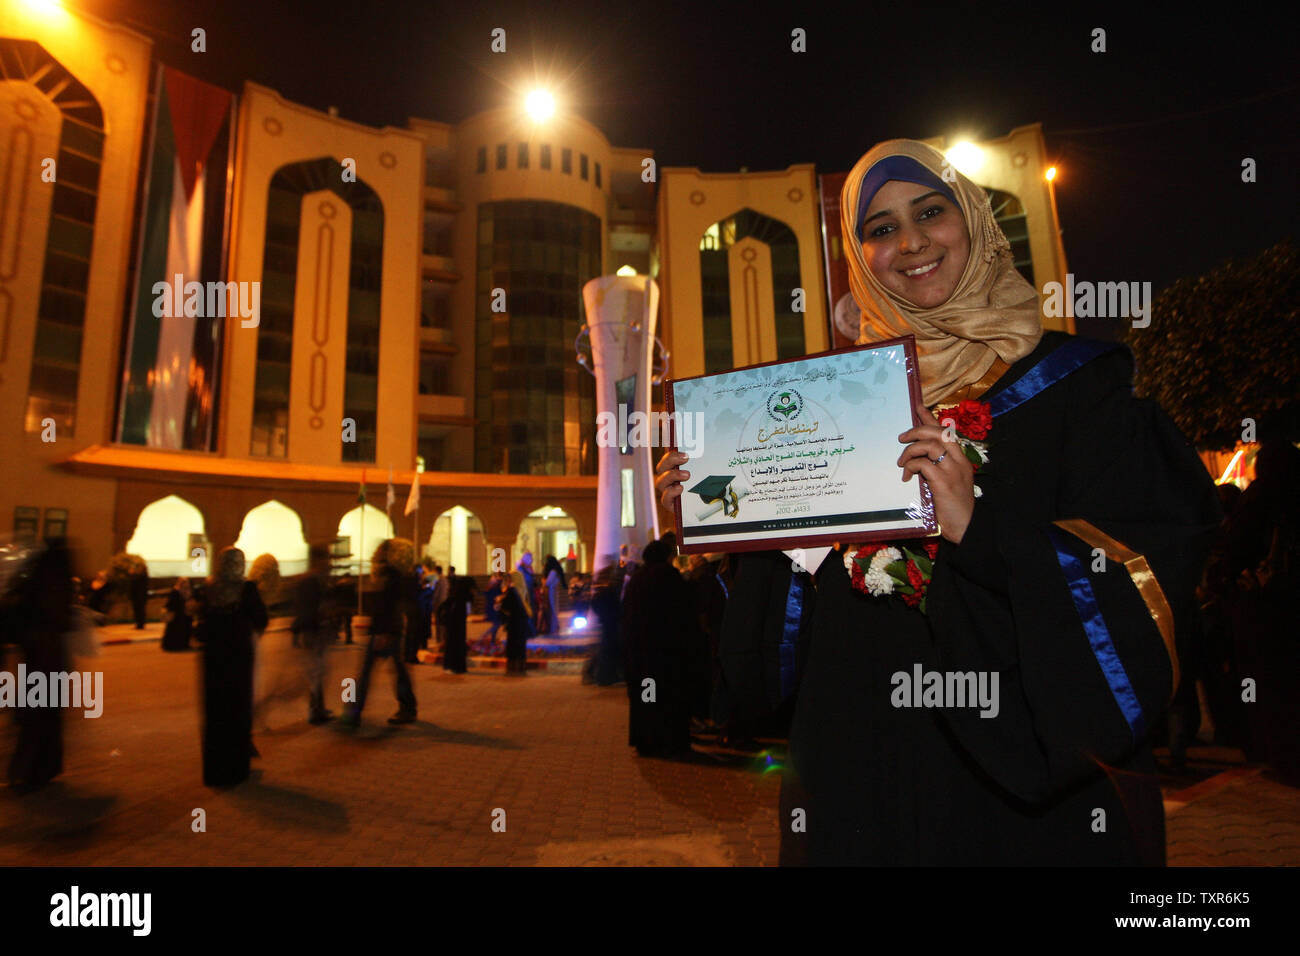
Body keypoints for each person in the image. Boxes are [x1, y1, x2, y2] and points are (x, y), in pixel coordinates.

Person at [657, 139, 1220, 865]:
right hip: (859, 768)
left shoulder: (1078, 389)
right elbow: (766, 670)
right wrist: (725, 524)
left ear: (976, 223)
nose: (911, 241)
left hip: (1021, 780)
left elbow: (1150, 564)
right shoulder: (838, 406)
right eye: (881, 228)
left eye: (931, 212)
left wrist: (982, 530)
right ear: (860, 258)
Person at [3, 540, 76, 789]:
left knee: (35, 718)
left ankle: (29, 771)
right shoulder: (60, 588)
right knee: (47, 717)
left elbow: (18, 619)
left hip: (38, 660)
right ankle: (43, 768)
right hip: (52, 659)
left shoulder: (36, 588)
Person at [621, 534, 700, 757]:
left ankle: (645, 739)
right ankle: (668, 741)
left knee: (647, 695)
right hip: (665, 654)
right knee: (668, 697)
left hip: (641, 654)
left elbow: (626, 615)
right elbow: (682, 613)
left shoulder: (637, 579)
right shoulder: (669, 576)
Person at [196, 547, 267, 787]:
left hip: (213, 659)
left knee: (215, 711)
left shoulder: (209, 587)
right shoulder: (246, 589)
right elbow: (261, 619)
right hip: (238, 658)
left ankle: (214, 772)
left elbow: (201, 619)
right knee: (236, 709)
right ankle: (235, 770)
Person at [341, 540, 417, 727]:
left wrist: (385, 632)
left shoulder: (392, 577)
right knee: (394, 672)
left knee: (368, 673)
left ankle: (352, 712)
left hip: (385, 632)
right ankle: (407, 708)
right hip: (386, 631)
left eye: (383, 552)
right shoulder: (389, 576)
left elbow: (389, 606)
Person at [294, 545, 336, 724]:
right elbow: (311, 608)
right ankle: (315, 710)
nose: (328, 562)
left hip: (311, 630)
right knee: (316, 672)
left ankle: (318, 707)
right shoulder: (312, 580)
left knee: (318, 671)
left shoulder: (311, 579)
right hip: (314, 631)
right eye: (326, 559)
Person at [440, 569, 475, 673]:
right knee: (456, 646)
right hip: (455, 626)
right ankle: (455, 667)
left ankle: (455, 666)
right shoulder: (459, 597)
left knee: (456, 645)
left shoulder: (458, 596)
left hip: (456, 626)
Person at [497, 570, 530, 675]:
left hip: (514, 622)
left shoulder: (512, 590)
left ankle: (512, 669)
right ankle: (521, 669)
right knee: (521, 646)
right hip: (523, 622)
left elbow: (506, 607)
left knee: (513, 646)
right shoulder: (523, 589)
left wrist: (500, 602)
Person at [160, 577, 193, 651]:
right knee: (176, 631)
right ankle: (177, 645)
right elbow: (171, 604)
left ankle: (181, 644)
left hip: (181, 617)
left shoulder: (183, 591)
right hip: (176, 617)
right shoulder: (175, 592)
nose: (186, 586)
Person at [542, 555, 565, 635]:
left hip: (551, 591)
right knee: (554, 609)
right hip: (554, 591)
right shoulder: (556, 571)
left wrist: (543, 581)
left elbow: (547, 583)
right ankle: (554, 627)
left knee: (552, 609)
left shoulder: (553, 572)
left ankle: (553, 628)